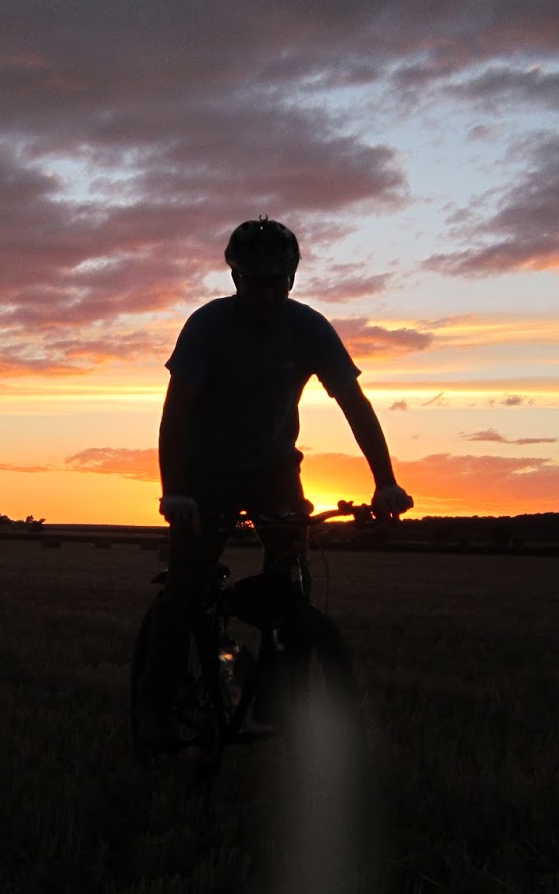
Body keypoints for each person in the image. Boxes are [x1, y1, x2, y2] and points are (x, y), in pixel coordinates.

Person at [136, 216, 412, 749]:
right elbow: (176, 415)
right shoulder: (208, 325)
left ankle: (275, 694)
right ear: (236, 279)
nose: (264, 292)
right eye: (252, 280)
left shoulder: (309, 328)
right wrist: (175, 490)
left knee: (290, 587)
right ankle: (155, 708)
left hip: (274, 471)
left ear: (291, 280)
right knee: (185, 591)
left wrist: (385, 481)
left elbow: (354, 405)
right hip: (205, 471)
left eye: (275, 280)